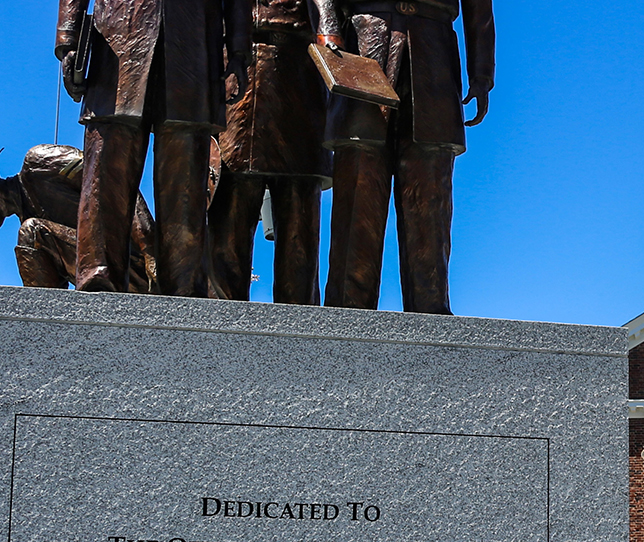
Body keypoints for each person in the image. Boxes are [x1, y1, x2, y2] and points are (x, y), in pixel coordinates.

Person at [311, 0, 494, 313]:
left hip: (434, 53)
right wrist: (328, 28)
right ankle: (347, 309)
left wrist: (481, 73)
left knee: (430, 193)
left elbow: (479, 7)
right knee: (359, 186)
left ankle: (431, 309)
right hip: (365, 43)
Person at [56, 0, 238, 295]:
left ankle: (185, 287)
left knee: (186, 177)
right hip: (118, 36)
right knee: (106, 166)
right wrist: (68, 38)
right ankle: (98, 277)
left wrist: (239, 51)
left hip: (193, 42)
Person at [207, 0, 329, 304]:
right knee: (233, 194)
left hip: (303, 67)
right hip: (240, 65)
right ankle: (221, 316)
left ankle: (302, 322)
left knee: (300, 202)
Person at [0, 146, 157, 292]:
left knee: (31, 232)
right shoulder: (31, 229)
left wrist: (151, 251)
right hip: (112, 281)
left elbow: (113, 181)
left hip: (133, 266)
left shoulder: (40, 162)